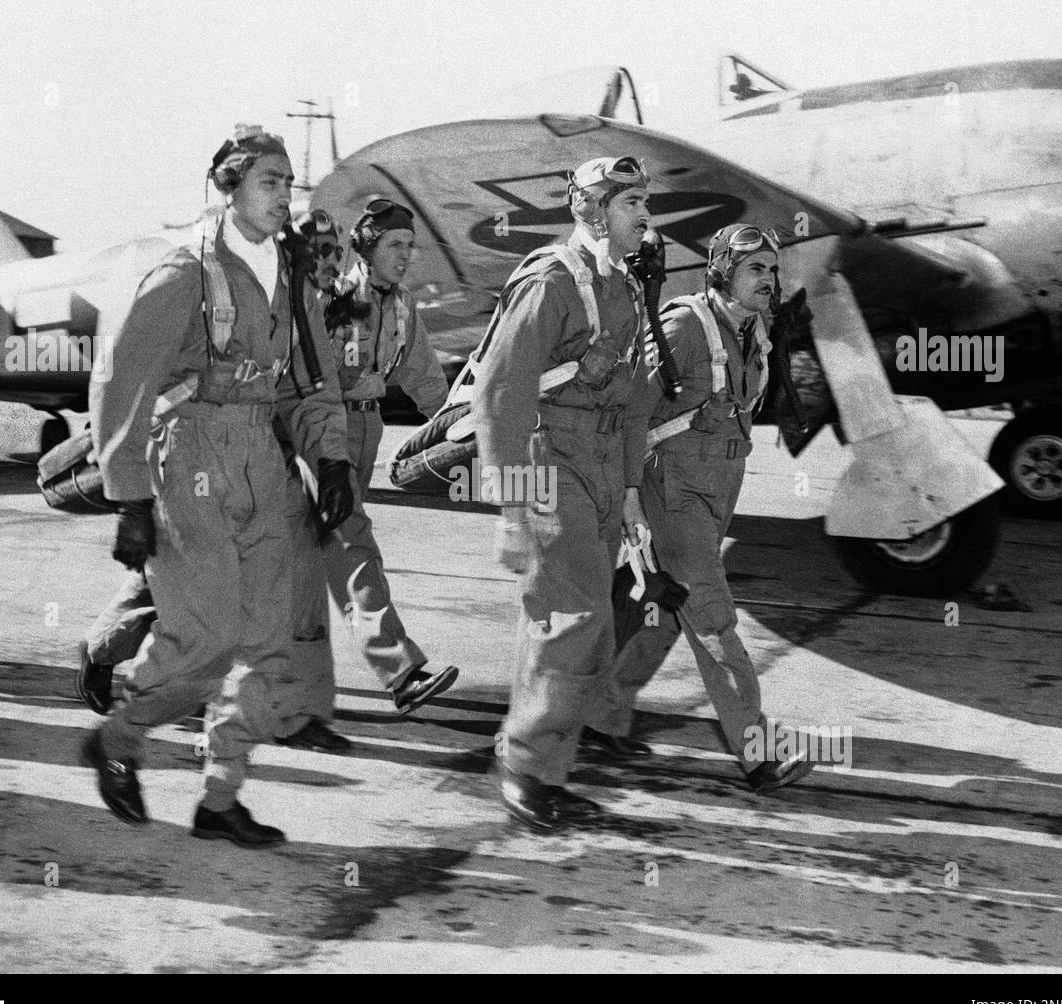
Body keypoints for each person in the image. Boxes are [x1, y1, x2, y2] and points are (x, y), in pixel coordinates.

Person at [80, 125, 352, 847]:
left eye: (289, 181)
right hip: (190, 455)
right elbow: (121, 381)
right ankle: (118, 737)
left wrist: (331, 461)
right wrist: (131, 495)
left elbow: (312, 379)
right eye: (268, 179)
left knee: (272, 645)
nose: (283, 194)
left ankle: (220, 796)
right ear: (228, 189)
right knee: (205, 639)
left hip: (263, 457)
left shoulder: (291, 277)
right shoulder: (183, 275)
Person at [473, 156, 656, 832]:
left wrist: (633, 489)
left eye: (645, 202)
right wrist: (511, 506)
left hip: (606, 467)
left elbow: (635, 401)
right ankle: (526, 769)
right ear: (592, 210)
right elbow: (501, 395)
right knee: (577, 621)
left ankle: (535, 760)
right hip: (553, 463)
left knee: (567, 622)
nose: (645, 216)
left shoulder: (629, 290)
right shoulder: (551, 281)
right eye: (631, 201)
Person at [608, 223, 816, 794]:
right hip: (672, 486)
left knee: (658, 606)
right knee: (711, 615)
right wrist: (630, 498)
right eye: (755, 269)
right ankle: (757, 751)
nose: (768, 280)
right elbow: (631, 415)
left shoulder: (754, 329)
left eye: (772, 270)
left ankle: (601, 712)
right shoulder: (685, 328)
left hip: (719, 482)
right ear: (721, 273)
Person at [300, 197, 458, 734]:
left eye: (411, 246)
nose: (406, 255)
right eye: (395, 244)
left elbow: (427, 380)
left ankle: (123, 641)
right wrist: (347, 388)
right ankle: (399, 670)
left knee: (309, 554)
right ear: (366, 246)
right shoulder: (332, 298)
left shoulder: (405, 306)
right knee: (352, 542)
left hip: (367, 430)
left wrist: (461, 425)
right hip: (323, 431)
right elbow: (300, 372)